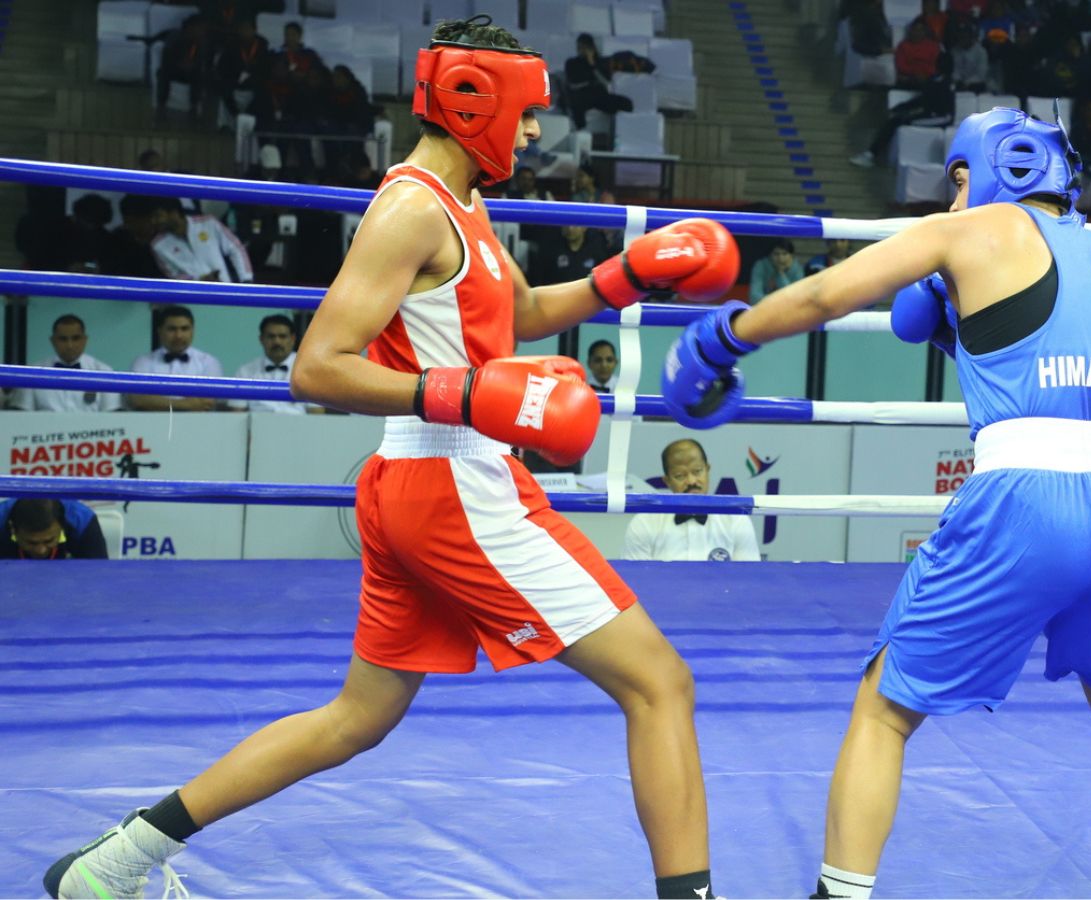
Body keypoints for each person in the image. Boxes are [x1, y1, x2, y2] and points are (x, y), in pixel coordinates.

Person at [44, 18, 739, 900]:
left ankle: (113, 864)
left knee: (357, 718)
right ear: (475, 101)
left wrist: (630, 275)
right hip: (453, 484)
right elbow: (316, 367)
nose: (535, 131)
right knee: (659, 684)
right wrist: (461, 394)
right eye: (526, 112)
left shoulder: (463, 201)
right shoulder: (411, 207)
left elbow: (520, 314)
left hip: (426, 483)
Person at [659, 106, 1091, 900]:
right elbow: (1059, 358)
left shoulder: (963, 234)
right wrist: (961, 329)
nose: (954, 197)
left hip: (1027, 500)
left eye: (958, 180)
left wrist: (725, 339)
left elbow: (825, 296)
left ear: (987, 169)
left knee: (885, 709)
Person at [622, 439, 761, 561]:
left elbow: (749, 577)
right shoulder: (644, 523)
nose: (691, 481)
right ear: (667, 481)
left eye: (697, 471)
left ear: (707, 469)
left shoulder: (736, 520)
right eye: (680, 476)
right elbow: (634, 579)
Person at [7, 314, 121, 412]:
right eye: (63, 339)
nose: (69, 345)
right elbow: (21, 416)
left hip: (93, 432)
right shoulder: (32, 373)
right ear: (53, 341)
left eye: (75, 338)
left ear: (85, 340)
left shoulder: (104, 372)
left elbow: (112, 418)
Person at [127, 305, 224, 412]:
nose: (178, 335)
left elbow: (207, 402)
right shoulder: (142, 362)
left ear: (193, 330)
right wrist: (186, 404)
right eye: (172, 329)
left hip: (199, 422)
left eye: (184, 329)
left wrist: (158, 402)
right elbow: (138, 399)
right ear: (159, 331)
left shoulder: (209, 362)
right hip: (152, 422)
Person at [228, 314, 322, 415]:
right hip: (258, 424)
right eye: (271, 336)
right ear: (261, 339)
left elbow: (316, 414)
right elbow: (236, 414)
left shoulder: (308, 370)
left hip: (300, 424)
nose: (277, 342)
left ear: (293, 339)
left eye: (282, 336)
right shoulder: (245, 371)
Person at [151, 201, 255, 284]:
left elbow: (236, 248)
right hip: (194, 298)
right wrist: (199, 281)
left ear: (174, 213)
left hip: (225, 291)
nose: (154, 221)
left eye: (158, 216)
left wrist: (246, 279)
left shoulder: (208, 223)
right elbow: (173, 276)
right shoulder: (158, 245)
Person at [0, 498, 108, 560]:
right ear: (12, 528)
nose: (41, 550)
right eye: (31, 542)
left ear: (62, 526)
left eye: (49, 541)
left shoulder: (83, 522)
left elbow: (98, 575)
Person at [564, 33, 633, 129]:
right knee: (577, 107)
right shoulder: (571, 63)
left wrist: (592, 65)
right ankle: (581, 132)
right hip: (580, 95)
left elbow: (606, 81)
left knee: (626, 103)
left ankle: (620, 129)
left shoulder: (599, 63)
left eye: (584, 47)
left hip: (598, 95)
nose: (581, 50)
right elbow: (573, 81)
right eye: (579, 47)